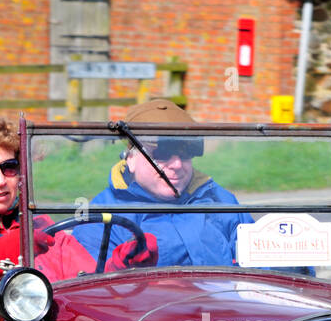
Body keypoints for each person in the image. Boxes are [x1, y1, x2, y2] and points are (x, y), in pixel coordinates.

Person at [0, 112, 156, 290]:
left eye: (9, 168)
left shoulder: (43, 229)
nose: (0, 180)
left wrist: (121, 267)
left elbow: (82, 288)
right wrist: (7, 254)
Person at [73, 99, 248, 267]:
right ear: (131, 158)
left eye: (186, 152)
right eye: (162, 153)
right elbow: (96, 290)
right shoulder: (101, 219)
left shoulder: (220, 201)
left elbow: (260, 266)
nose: (177, 164)